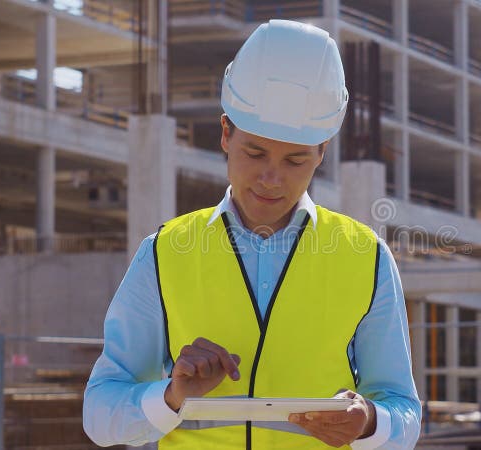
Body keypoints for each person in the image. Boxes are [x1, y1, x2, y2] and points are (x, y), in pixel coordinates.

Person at [83, 19, 420, 449]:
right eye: (255, 152)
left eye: (295, 161)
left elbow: (404, 411)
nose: (271, 179)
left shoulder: (366, 257)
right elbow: (99, 413)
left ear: (322, 152)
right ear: (226, 133)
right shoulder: (165, 253)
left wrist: (370, 421)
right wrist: (172, 397)